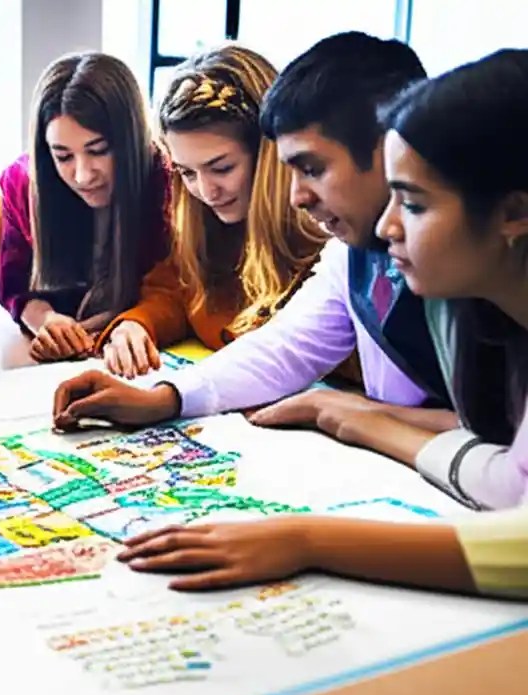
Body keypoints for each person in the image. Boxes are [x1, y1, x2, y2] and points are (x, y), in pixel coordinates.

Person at [117, 49, 528, 597]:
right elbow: (290, 344)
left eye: (413, 203)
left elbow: (514, 508)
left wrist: (309, 535)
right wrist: (167, 394)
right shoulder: (368, 255)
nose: (389, 227)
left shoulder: (467, 278)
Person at [52, 33, 452, 443]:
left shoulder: (474, 254)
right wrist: (165, 397)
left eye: (312, 169)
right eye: (187, 173)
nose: (298, 196)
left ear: (391, 151)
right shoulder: (349, 254)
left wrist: (355, 412)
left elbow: (510, 440)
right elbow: (287, 346)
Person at [96, 45, 325, 379]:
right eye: (187, 172)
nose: (205, 191)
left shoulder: (328, 231)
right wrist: (135, 324)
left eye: (222, 167)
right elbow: (176, 291)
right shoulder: (199, 222)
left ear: (269, 154)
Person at [0, 52, 172, 363]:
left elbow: (176, 289)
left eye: (99, 151)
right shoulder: (23, 184)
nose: (82, 175)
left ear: (131, 141)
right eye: (63, 156)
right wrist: (46, 322)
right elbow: (14, 285)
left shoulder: (168, 181)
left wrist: (135, 322)